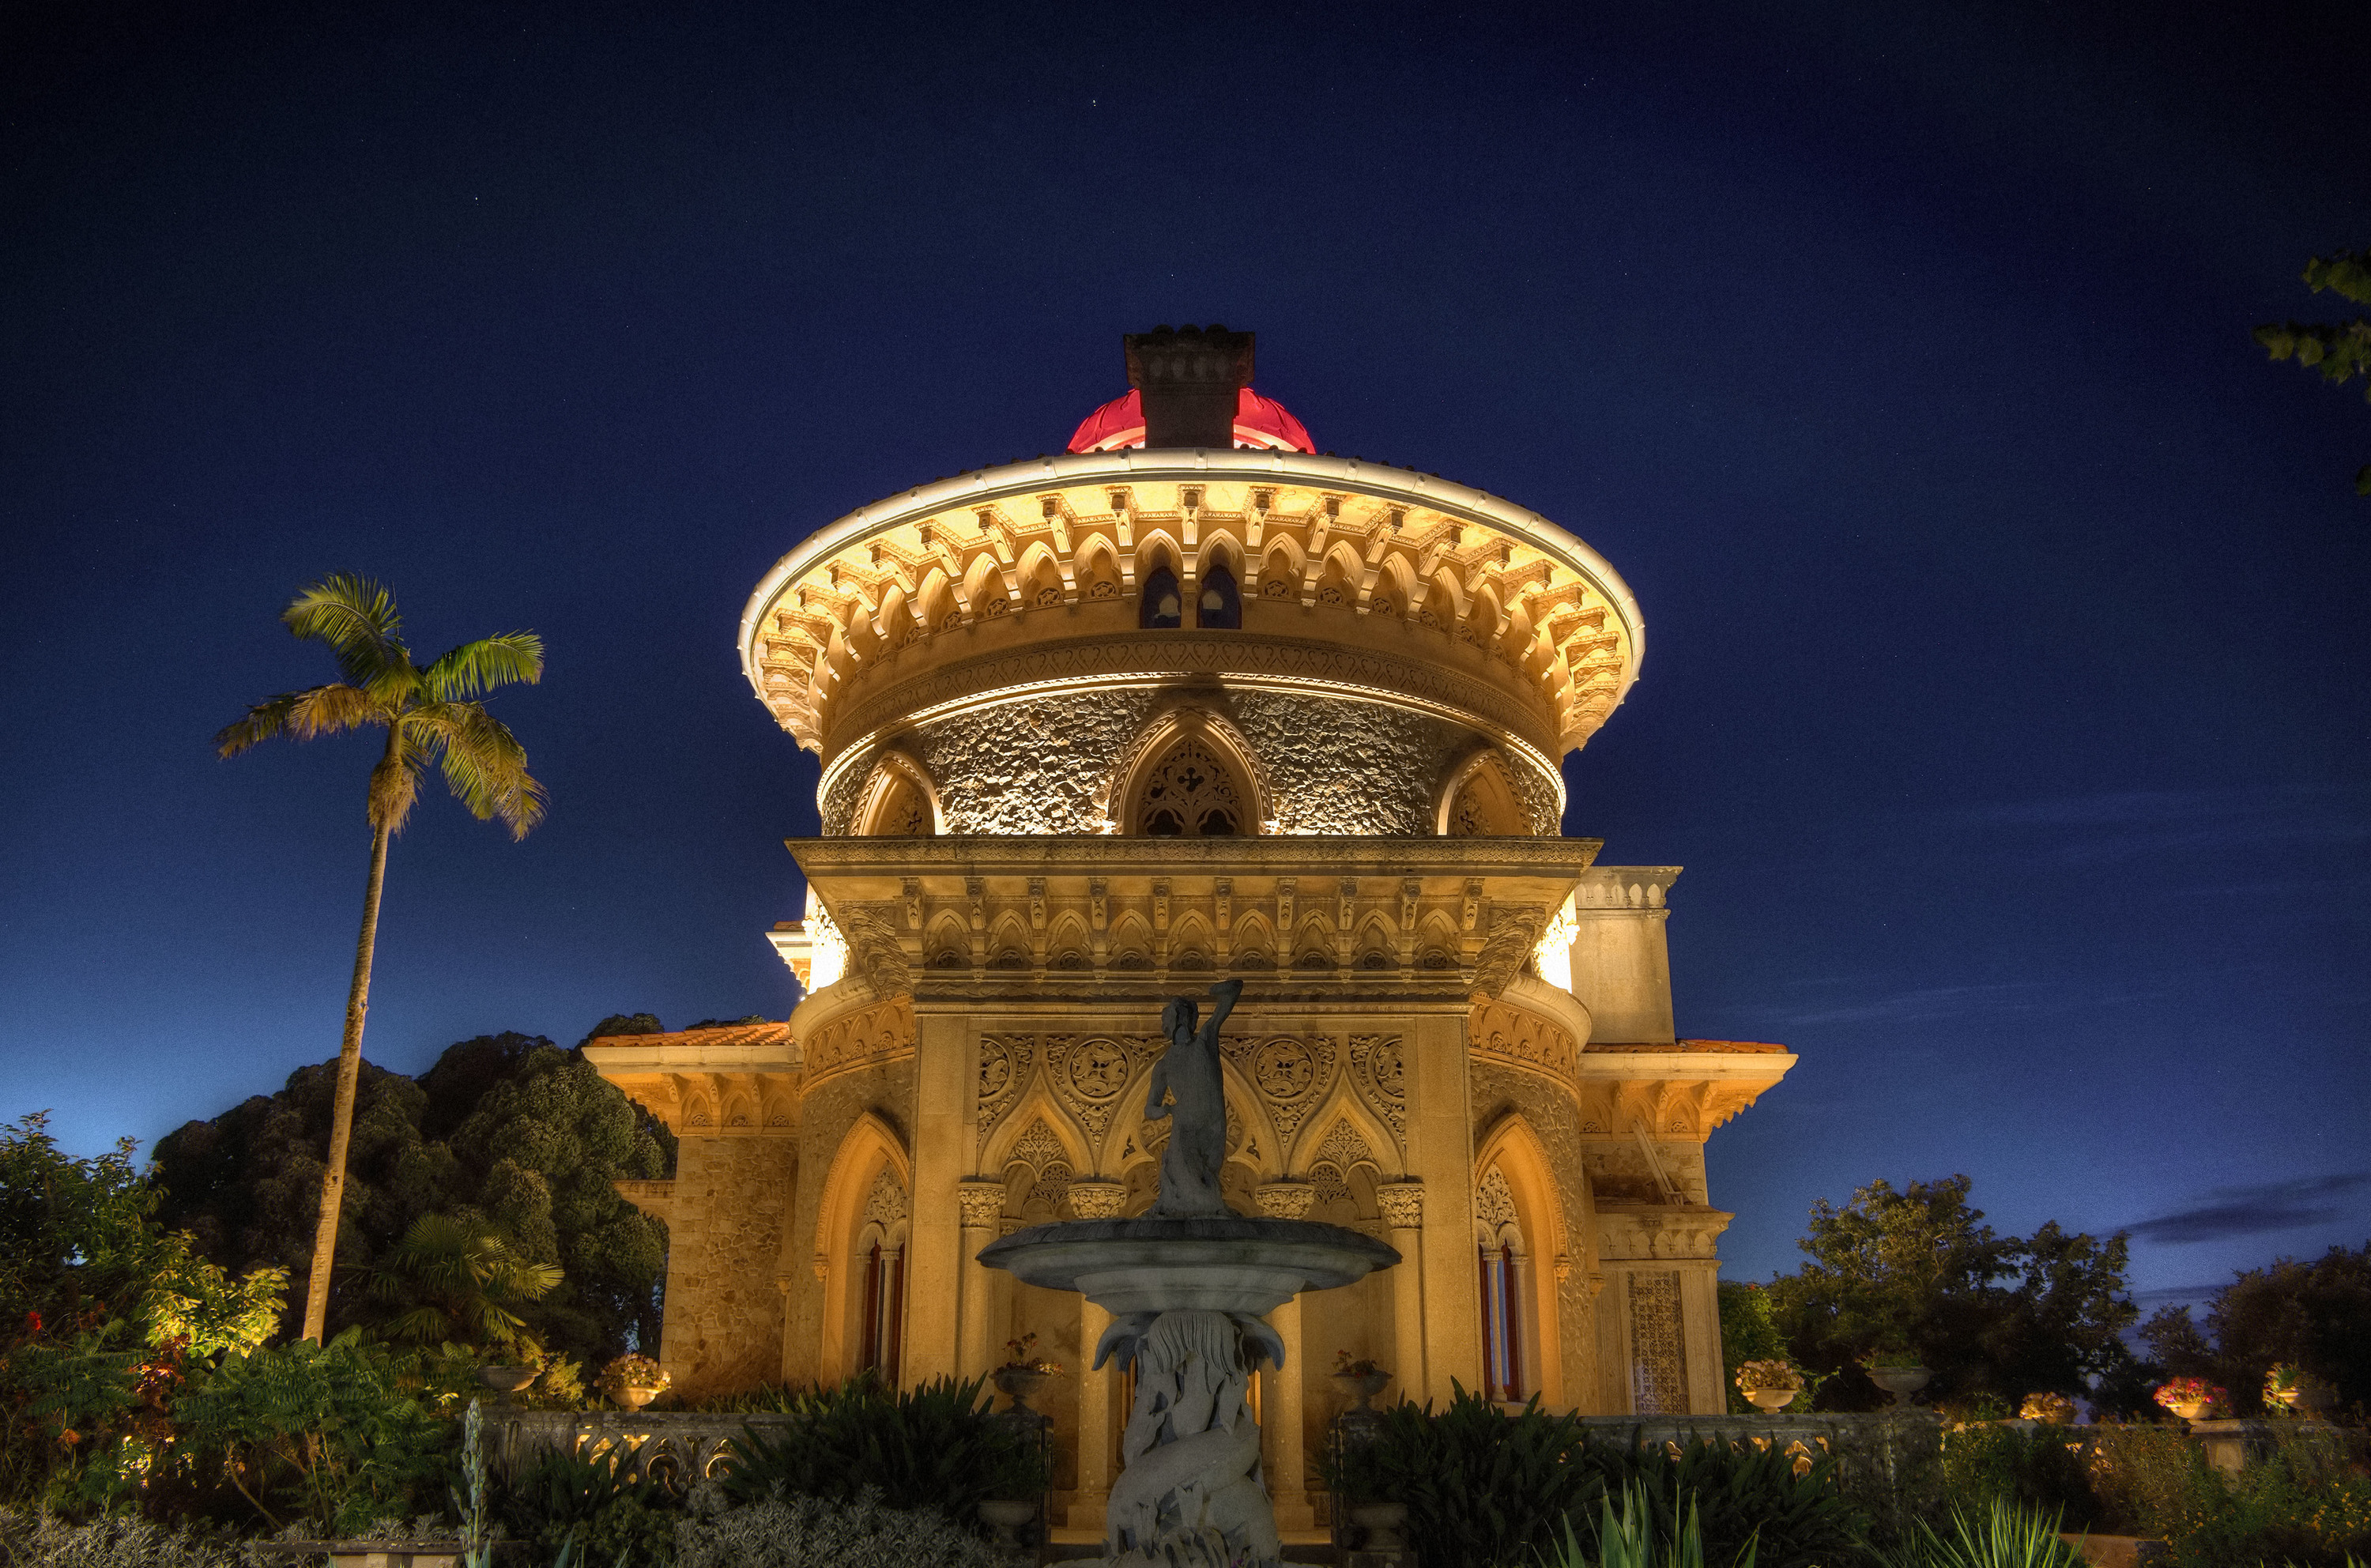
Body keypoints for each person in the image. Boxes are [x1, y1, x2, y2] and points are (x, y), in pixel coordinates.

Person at [1144, 978, 1242, 1217]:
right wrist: (1166, 1110)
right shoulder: (1164, 1065)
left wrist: (1224, 991)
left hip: (1212, 1123)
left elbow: (1230, 998)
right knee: (1188, 1178)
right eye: (1182, 1016)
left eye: (1189, 1016)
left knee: (1207, 1173)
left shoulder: (1205, 1040)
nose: (1188, 1021)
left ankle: (1211, 1214)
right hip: (1185, 1123)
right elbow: (1150, 1108)